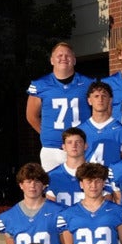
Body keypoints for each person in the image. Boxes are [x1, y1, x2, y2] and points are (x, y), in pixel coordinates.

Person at [26, 42, 93, 171]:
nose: (64, 58)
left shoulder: (88, 83)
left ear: (74, 60)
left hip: (80, 147)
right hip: (52, 149)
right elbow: (31, 116)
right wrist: (47, 133)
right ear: (52, 60)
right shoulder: (40, 85)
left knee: (83, 188)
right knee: (52, 188)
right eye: (59, 55)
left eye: (68, 55)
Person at [0, 163, 66, 244]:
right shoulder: (8, 217)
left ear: (44, 185)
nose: (33, 185)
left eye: (37, 181)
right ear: (21, 185)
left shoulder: (59, 212)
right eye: (28, 181)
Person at [79, 81, 122, 167]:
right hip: (88, 178)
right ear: (89, 100)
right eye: (96, 96)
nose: (100, 99)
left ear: (110, 100)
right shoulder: (80, 131)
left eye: (104, 96)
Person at [46, 127, 90, 207]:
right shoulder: (52, 176)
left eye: (78, 142)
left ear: (85, 146)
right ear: (64, 147)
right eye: (69, 142)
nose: (74, 145)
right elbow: (50, 209)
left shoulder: (95, 174)